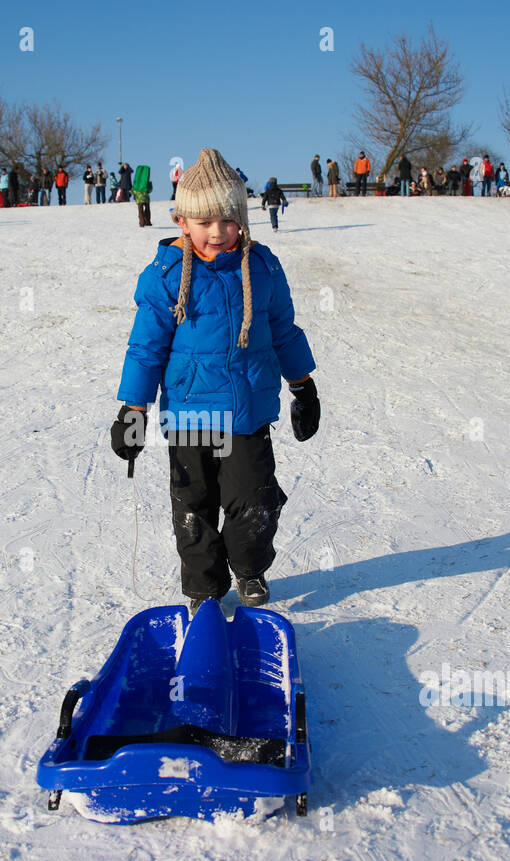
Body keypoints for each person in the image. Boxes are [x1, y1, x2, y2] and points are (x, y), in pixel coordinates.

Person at [110, 147, 319, 613]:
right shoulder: (165, 276)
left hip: (246, 414)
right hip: (190, 414)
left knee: (255, 502)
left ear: (242, 219)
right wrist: (133, 409)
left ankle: (249, 568)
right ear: (182, 221)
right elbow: (146, 348)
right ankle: (204, 587)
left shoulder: (262, 267)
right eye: (205, 222)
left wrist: (303, 386)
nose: (218, 232)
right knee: (194, 508)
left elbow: (284, 330)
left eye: (227, 220)